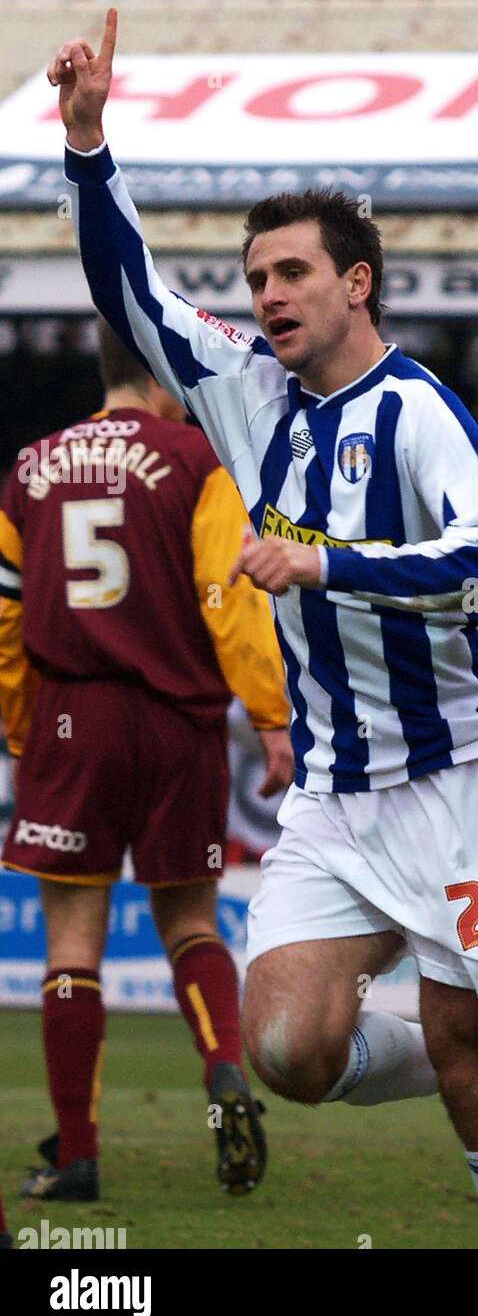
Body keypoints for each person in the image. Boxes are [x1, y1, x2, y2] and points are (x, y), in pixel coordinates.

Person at [49, 10, 478, 1249]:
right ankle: (475, 1038)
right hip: (334, 794)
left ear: (356, 283)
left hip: (456, 781)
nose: (268, 295)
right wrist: (87, 145)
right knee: (285, 1046)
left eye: (291, 274)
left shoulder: (421, 411)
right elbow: (138, 292)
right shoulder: (245, 392)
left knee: (473, 1078)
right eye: (259, 278)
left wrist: (327, 563)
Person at [0, 319, 293, 1202]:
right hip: (179, 722)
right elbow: (228, 598)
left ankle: (79, 1154)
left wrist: (22, 728)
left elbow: (6, 619)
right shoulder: (199, 462)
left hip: (71, 717)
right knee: (192, 927)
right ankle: (224, 1071)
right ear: (167, 375)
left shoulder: (27, 469)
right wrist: (271, 716)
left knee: (72, 943)